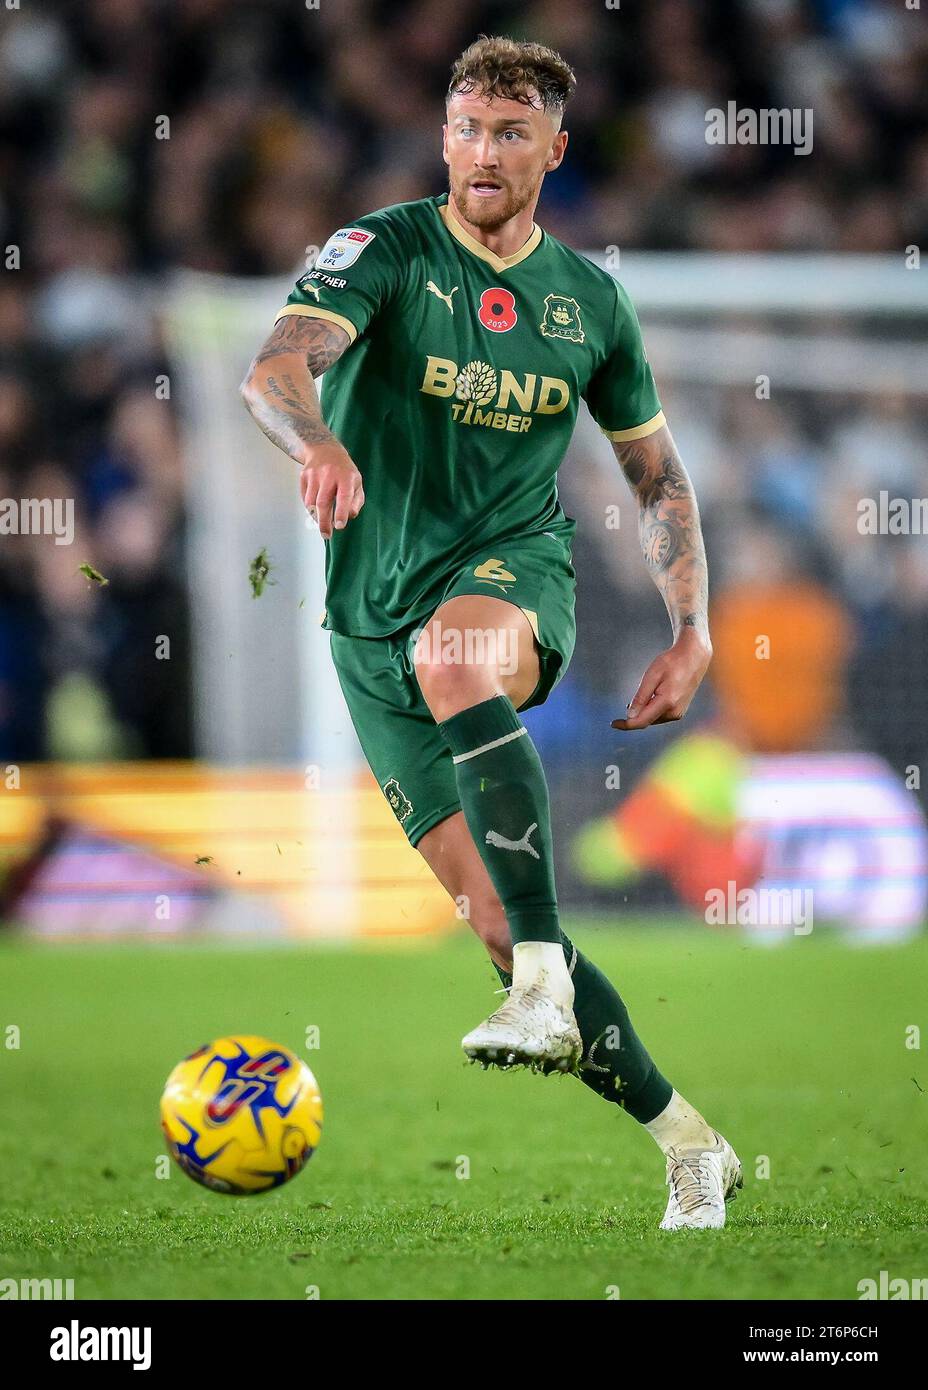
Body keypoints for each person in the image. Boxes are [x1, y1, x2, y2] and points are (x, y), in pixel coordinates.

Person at [241, 35, 741, 1229]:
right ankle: (689, 1140)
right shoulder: (385, 249)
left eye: (510, 133)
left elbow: (656, 478)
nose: (481, 151)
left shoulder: (591, 302)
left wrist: (693, 625)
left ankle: (539, 984)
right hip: (369, 627)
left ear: (553, 152)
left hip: (512, 571)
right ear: (442, 136)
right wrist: (314, 441)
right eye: (466, 127)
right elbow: (275, 370)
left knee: (457, 653)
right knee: (497, 922)